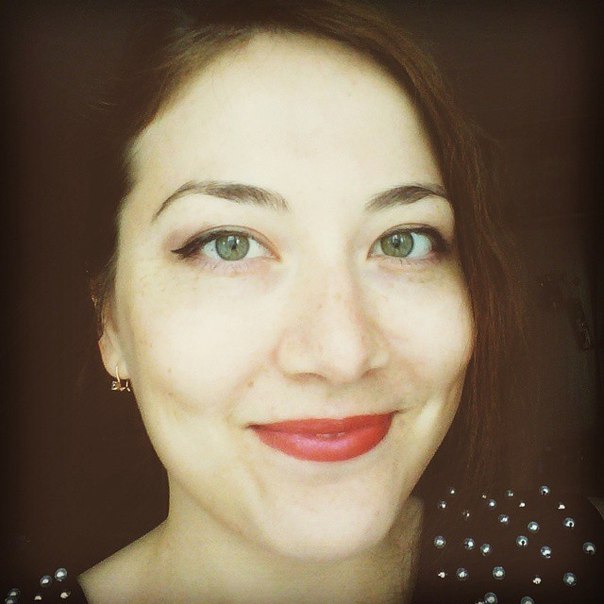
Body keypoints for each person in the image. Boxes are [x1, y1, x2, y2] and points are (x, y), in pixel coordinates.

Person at [4, 1, 602, 603]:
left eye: (403, 240)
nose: (343, 355)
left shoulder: (565, 555)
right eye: (230, 244)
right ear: (110, 322)